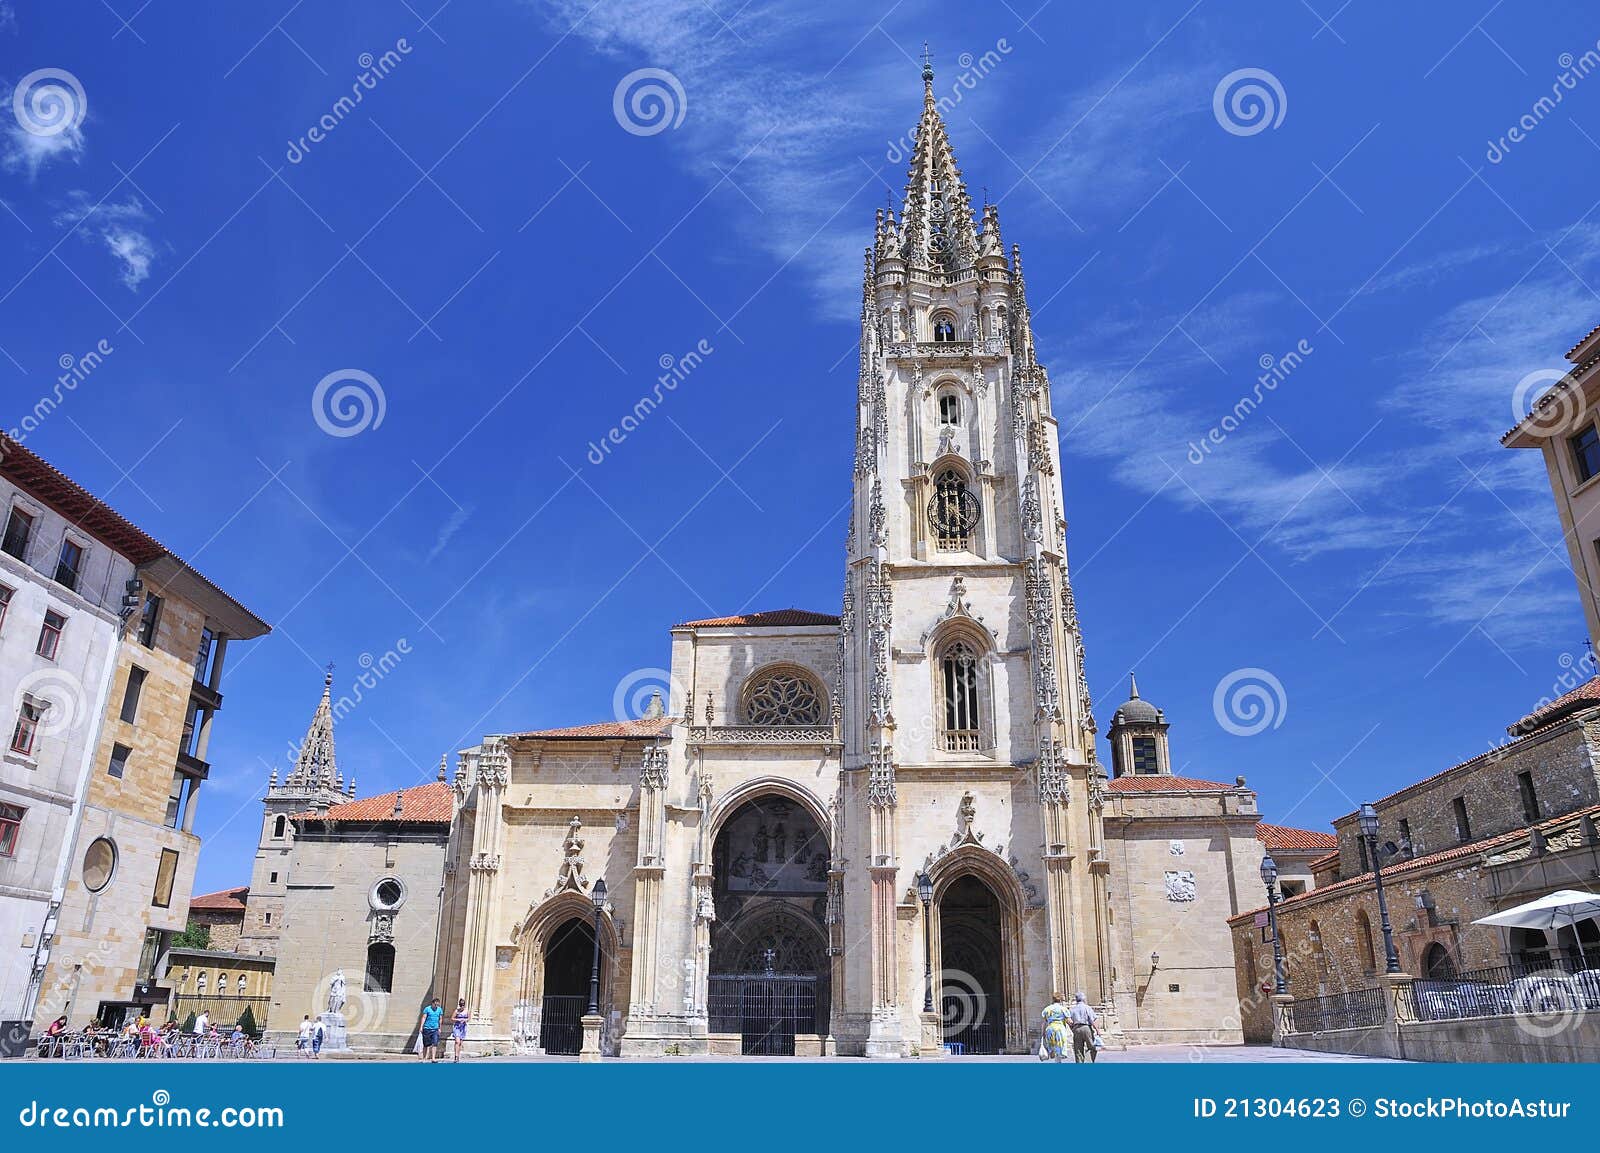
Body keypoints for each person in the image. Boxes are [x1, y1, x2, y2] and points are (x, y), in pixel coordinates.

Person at [1067, 991, 1100, 1063]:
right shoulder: (1087, 1008)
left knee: (1078, 1049)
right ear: (1084, 999)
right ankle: (1088, 1061)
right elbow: (1092, 1020)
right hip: (1086, 1027)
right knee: (1092, 1047)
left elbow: (1069, 1021)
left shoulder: (1072, 1009)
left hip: (1076, 1028)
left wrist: (1072, 1029)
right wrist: (1097, 1030)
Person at [1040, 992, 1071, 1063]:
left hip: (1050, 1029)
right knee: (1060, 1048)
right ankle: (1058, 1061)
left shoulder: (1047, 1009)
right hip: (1060, 1029)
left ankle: (1053, 1055)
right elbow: (1069, 1021)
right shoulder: (1063, 1009)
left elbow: (1044, 1023)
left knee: (1053, 1047)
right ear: (1060, 1000)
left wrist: (1043, 1033)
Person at [419, 997, 444, 1062]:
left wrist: (440, 1028)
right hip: (427, 1028)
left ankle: (433, 1058)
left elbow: (440, 1019)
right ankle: (424, 1058)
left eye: (437, 1005)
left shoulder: (439, 1010)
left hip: (435, 1029)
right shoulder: (427, 1009)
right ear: (432, 1003)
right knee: (426, 1044)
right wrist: (421, 1027)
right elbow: (424, 1017)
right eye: (435, 1004)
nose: (436, 1006)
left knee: (435, 1043)